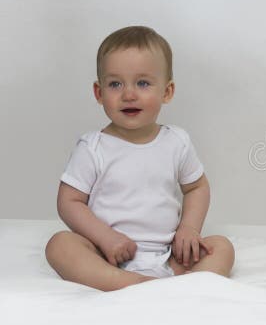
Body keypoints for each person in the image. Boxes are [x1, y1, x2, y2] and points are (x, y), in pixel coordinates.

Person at [45, 26, 234, 290]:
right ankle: (126, 282)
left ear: (166, 92)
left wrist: (189, 229)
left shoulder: (176, 142)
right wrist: (106, 238)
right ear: (99, 93)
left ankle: (187, 287)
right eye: (115, 84)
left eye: (143, 83)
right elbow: (69, 201)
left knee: (222, 247)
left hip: (168, 255)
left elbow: (197, 187)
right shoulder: (93, 148)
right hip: (106, 254)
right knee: (60, 244)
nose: (129, 94)